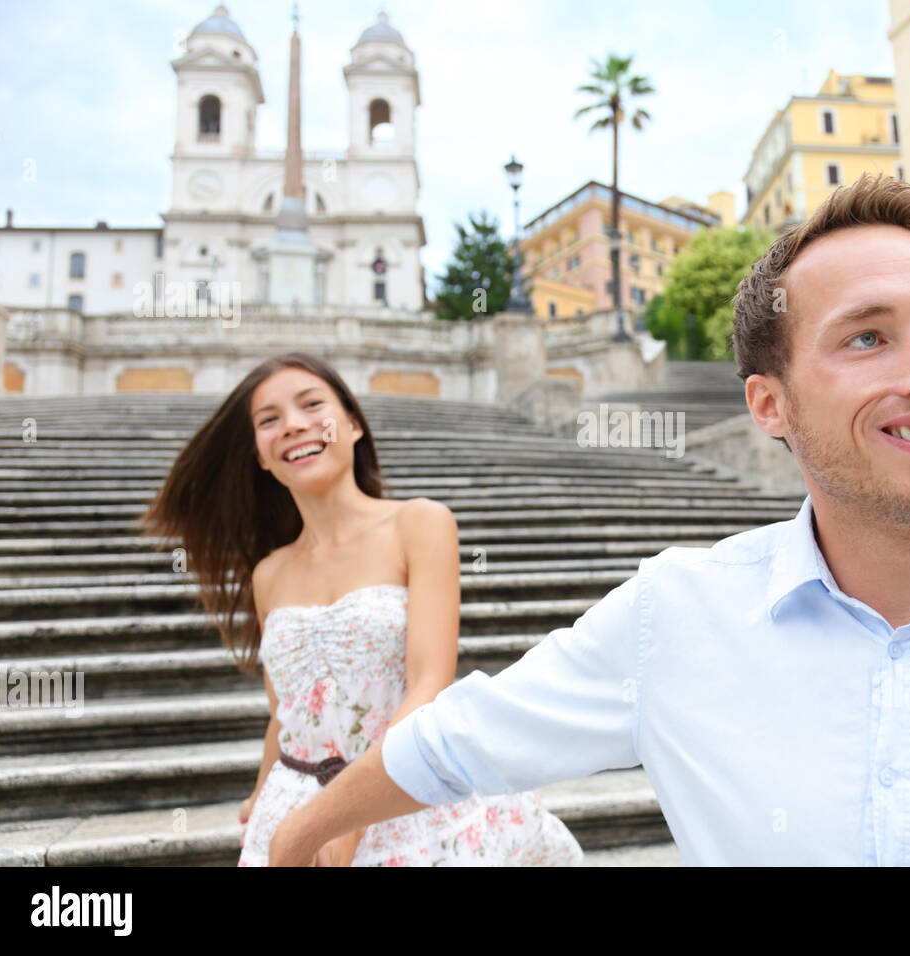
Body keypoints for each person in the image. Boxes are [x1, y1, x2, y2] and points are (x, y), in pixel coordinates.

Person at [266, 173, 910, 866]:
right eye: (868, 338)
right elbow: (456, 741)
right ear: (768, 405)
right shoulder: (676, 616)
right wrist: (300, 833)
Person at [139, 351, 583, 866]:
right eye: (269, 419)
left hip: (403, 795)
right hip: (293, 802)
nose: (294, 425)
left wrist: (344, 818)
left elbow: (428, 683)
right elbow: (285, 712)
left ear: (352, 425)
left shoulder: (419, 524)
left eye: (311, 405)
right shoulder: (270, 574)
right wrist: (261, 793)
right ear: (260, 455)